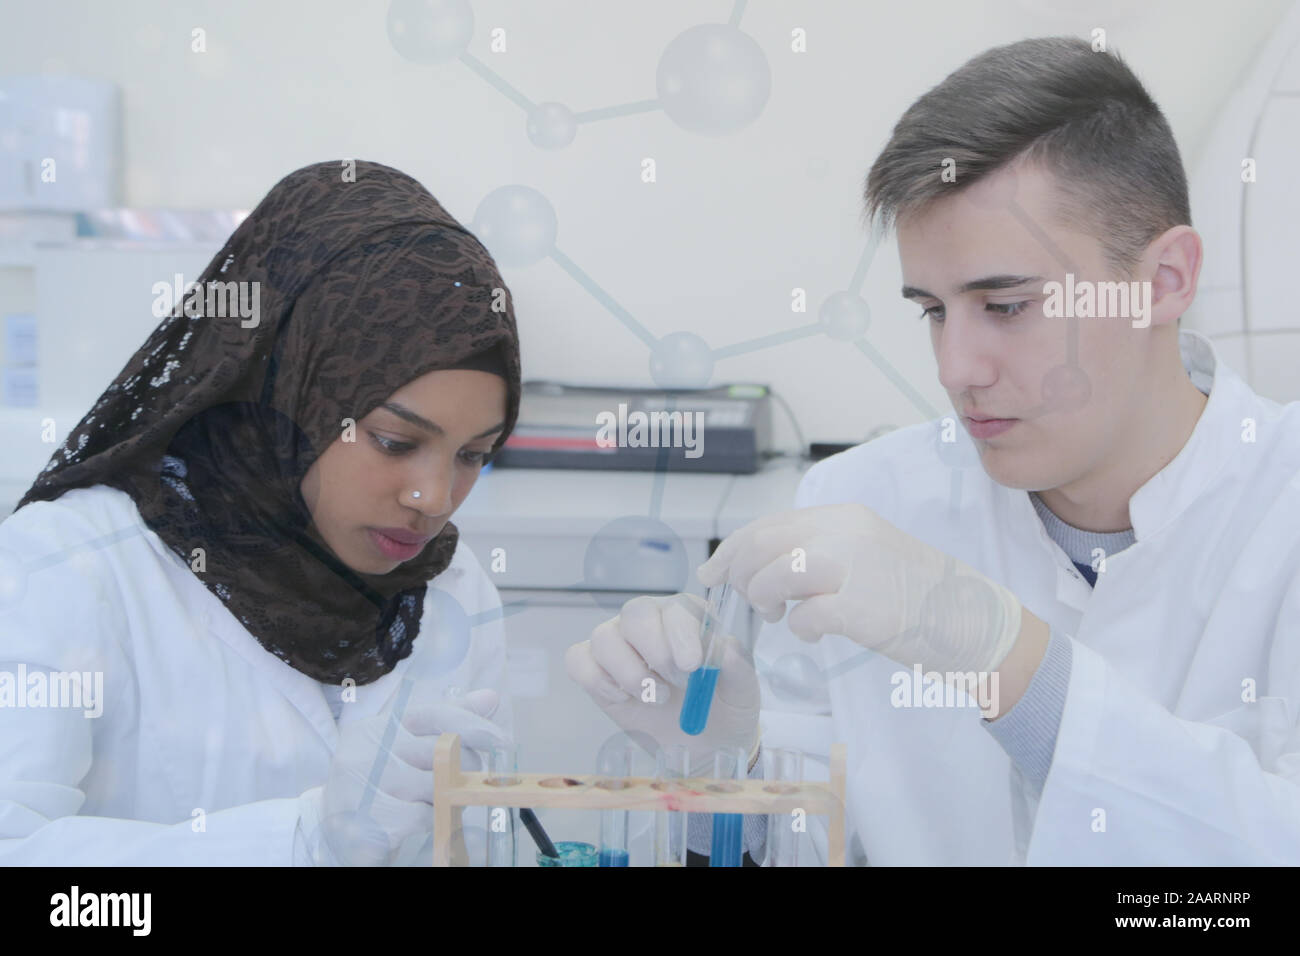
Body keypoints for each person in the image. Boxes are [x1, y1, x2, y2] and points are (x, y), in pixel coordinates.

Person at [566, 36, 1300, 865]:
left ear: (1164, 281)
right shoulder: (863, 507)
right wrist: (723, 779)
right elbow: (805, 851)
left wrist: (1004, 657)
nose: (956, 370)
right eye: (933, 311)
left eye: (1008, 307)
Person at [0, 160, 523, 865]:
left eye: (472, 455)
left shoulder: (453, 592)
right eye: (394, 442)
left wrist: (680, 766)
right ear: (288, 387)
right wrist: (299, 841)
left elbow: (488, 849)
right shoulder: (72, 564)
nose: (432, 499)